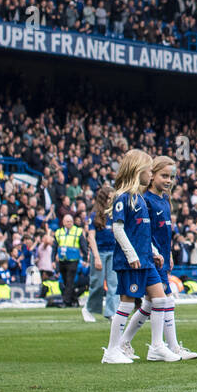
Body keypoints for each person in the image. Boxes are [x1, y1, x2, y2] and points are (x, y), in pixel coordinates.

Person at [115, 156, 197, 360]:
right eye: (163, 175)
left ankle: (126, 343)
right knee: (164, 300)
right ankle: (168, 346)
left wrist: (167, 253)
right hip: (148, 258)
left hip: (158, 256)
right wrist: (151, 253)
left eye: (171, 177)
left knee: (152, 303)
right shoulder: (145, 200)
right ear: (151, 176)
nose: (169, 180)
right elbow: (141, 231)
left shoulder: (164, 200)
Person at [102, 150, 180, 364]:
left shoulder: (139, 199)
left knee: (161, 299)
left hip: (146, 260)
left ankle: (157, 346)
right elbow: (117, 229)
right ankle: (111, 351)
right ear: (138, 172)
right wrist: (131, 255)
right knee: (127, 303)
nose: (150, 173)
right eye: (148, 170)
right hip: (132, 262)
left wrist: (154, 252)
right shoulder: (124, 197)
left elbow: (145, 234)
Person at [82, 185, 118, 323]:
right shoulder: (95, 215)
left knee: (113, 283)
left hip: (113, 251)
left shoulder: (114, 213)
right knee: (97, 283)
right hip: (100, 252)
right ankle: (88, 308)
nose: (111, 201)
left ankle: (111, 312)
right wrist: (96, 256)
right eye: (109, 198)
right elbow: (91, 237)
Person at [55, 213, 84, 306]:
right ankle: (73, 299)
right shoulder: (58, 232)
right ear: (63, 222)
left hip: (73, 260)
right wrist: (52, 260)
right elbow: (54, 246)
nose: (69, 223)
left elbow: (83, 244)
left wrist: (86, 256)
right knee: (65, 280)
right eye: (67, 221)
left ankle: (66, 301)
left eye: (71, 221)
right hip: (62, 260)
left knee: (69, 280)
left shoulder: (78, 231)